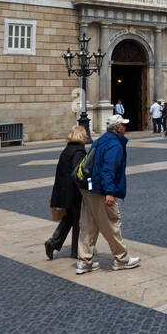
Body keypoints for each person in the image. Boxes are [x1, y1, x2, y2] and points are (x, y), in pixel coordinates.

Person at [76, 114, 140, 273]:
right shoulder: (114, 144)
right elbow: (108, 170)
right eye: (123, 125)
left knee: (88, 225)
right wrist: (109, 192)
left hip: (88, 188)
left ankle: (84, 261)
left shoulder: (101, 140)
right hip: (101, 190)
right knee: (112, 223)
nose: (125, 127)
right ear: (117, 128)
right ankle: (122, 259)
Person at [45, 125, 87, 260]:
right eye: (85, 134)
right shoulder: (79, 152)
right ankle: (76, 251)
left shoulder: (67, 150)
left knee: (69, 218)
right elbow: (78, 173)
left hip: (63, 191)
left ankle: (53, 242)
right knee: (78, 220)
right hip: (73, 193)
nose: (86, 136)